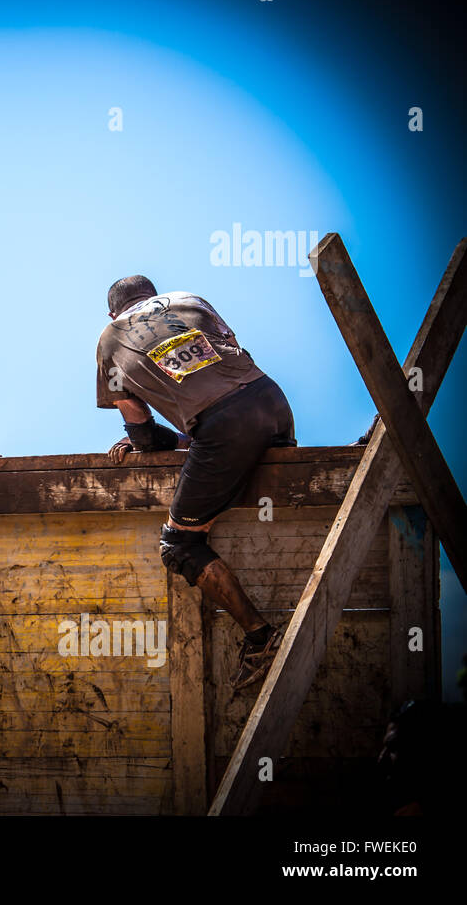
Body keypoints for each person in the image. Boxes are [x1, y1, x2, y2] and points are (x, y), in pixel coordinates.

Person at [96, 275, 295, 690]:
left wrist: (141, 440)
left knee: (180, 545)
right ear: (153, 297)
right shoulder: (190, 299)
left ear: (113, 313)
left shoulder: (109, 338)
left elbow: (144, 434)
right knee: (280, 494)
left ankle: (261, 639)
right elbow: (233, 360)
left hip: (224, 426)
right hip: (271, 400)